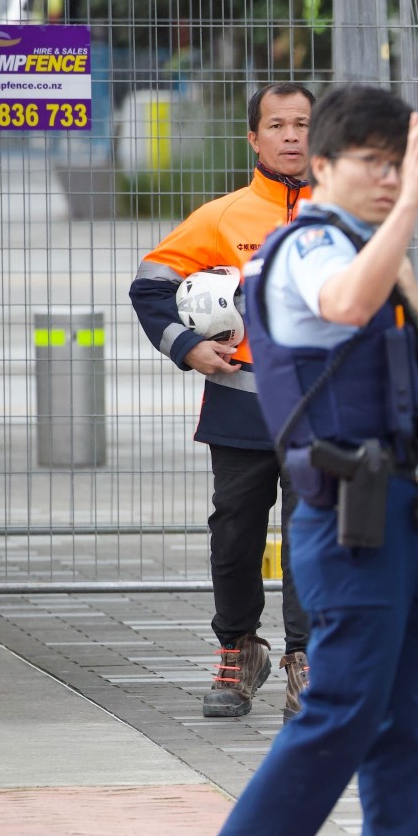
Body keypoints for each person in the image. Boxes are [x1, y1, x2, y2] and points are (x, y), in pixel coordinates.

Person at [204, 85, 418, 836]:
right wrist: (410, 208)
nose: (388, 178)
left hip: (399, 505)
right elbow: (344, 304)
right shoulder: (312, 245)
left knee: (407, 720)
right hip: (348, 513)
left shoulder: (368, 245)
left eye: (398, 164)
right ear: (324, 164)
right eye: (373, 162)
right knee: (339, 712)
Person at [128, 82, 314, 720]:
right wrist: (186, 347)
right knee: (235, 535)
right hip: (241, 408)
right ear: (253, 138)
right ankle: (239, 648)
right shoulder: (221, 217)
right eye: (277, 125)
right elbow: (150, 285)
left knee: (310, 536)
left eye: (302, 124)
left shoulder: (344, 218)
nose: (291, 136)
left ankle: (305, 659)